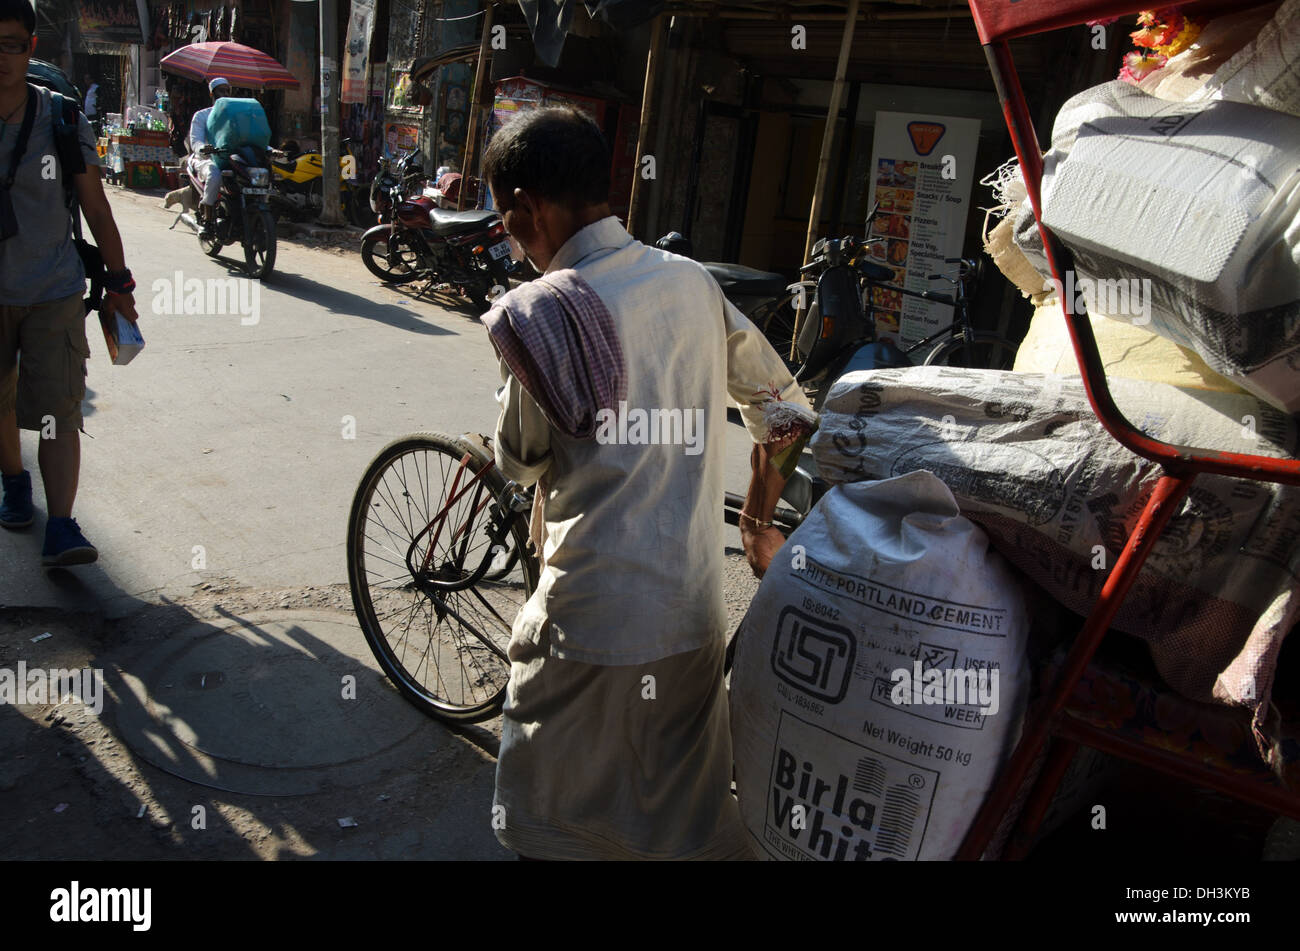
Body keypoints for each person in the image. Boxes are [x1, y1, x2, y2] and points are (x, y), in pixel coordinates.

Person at [480, 106, 815, 861]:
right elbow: (787, 413)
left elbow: (519, 461)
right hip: (690, 623)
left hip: (589, 629)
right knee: (671, 832)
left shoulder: (542, 313)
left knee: (553, 827)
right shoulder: (692, 281)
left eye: (508, 221)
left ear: (529, 209)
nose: (512, 238)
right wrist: (757, 520)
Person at [0, 0, 139, 564]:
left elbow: (97, 209)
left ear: (30, 48)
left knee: (60, 408)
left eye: (11, 43)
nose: (0, 57)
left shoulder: (60, 117)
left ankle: (62, 525)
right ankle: (13, 481)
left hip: (54, 291)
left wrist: (120, 283)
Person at [187, 76, 229, 236]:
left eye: (227, 91)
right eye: (221, 91)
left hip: (228, 158)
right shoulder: (201, 116)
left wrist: (268, 148)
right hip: (204, 159)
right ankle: (207, 217)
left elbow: (248, 136)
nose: (225, 94)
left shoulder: (232, 116)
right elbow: (195, 142)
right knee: (214, 173)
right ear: (212, 94)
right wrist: (204, 149)